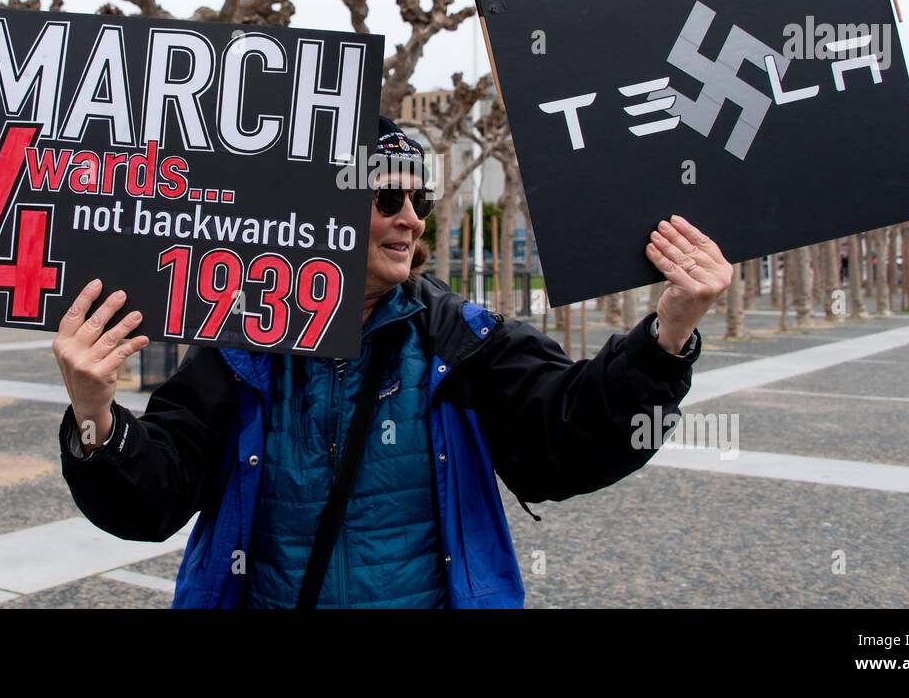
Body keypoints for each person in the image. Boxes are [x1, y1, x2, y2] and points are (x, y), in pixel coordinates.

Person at [53, 116, 733, 608]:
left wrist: (667, 335)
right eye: (387, 199)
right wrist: (95, 415)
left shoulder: (463, 342)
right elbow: (150, 502)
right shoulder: (238, 351)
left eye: (418, 201)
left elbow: (567, 437)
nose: (411, 218)